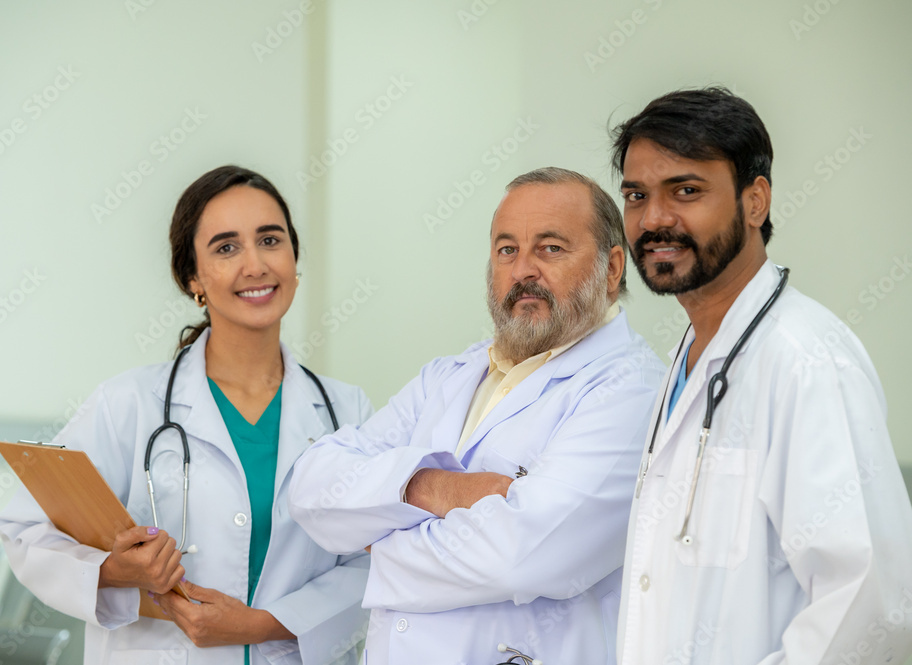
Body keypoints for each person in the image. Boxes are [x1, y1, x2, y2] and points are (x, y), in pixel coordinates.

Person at [0, 165, 373, 665]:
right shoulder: (128, 404)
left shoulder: (346, 412)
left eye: (270, 239)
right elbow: (26, 530)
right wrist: (113, 571)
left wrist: (261, 626)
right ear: (192, 277)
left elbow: (374, 568)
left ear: (294, 260)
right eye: (226, 247)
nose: (255, 264)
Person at [289, 167, 665, 664]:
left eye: (550, 248)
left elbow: (521, 557)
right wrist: (435, 488)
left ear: (612, 268)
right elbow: (313, 487)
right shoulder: (452, 375)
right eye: (507, 249)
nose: (523, 269)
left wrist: (378, 543)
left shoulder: (632, 390)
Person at [611, 87, 912, 664]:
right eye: (636, 195)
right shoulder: (690, 355)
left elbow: (871, 601)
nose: (654, 219)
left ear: (755, 202)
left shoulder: (807, 360)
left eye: (687, 191)